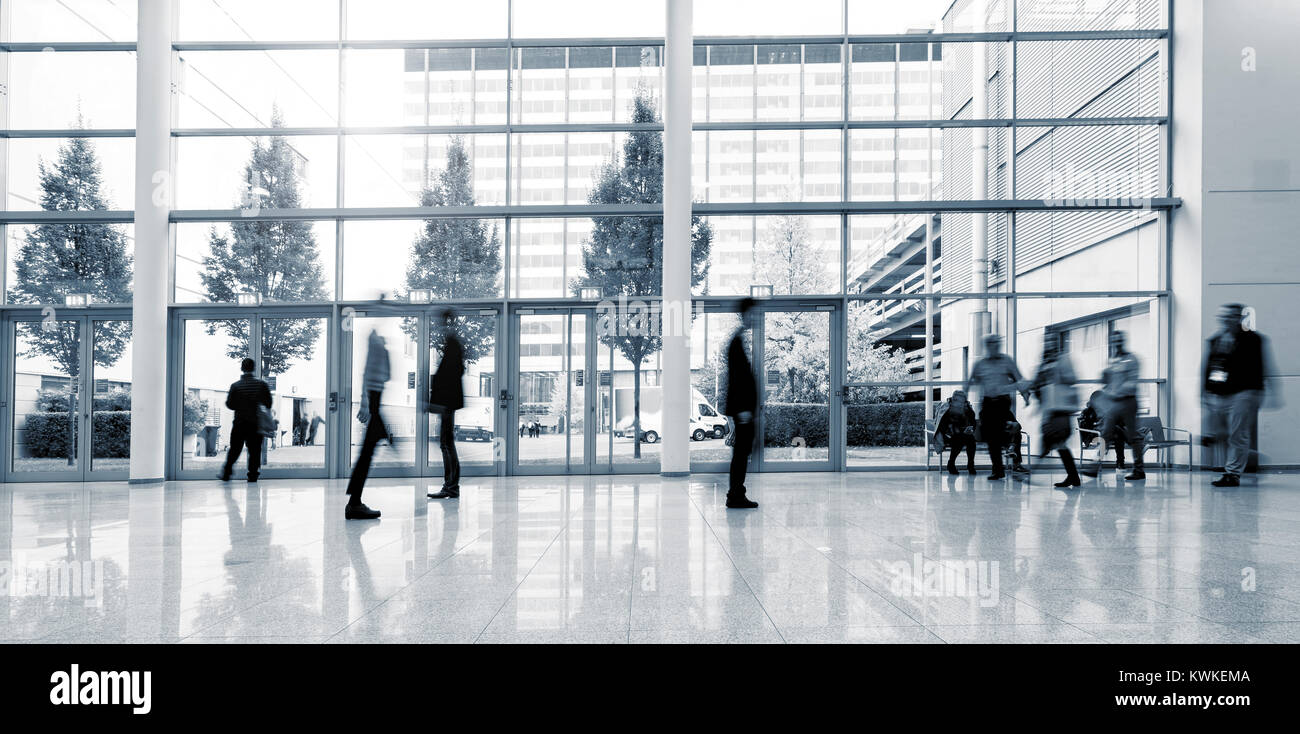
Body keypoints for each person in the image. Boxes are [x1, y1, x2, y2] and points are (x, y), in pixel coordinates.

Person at [1204, 303, 1276, 487]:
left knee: (1237, 433)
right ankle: (1250, 458)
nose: (1226, 320)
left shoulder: (1254, 339)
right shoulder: (1216, 340)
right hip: (1221, 393)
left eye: (1231, 316)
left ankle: (1232, 473)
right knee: (1223, 433)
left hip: (1246, 391)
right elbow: (1209, 367)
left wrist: (1271, 390)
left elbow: (1263, 367)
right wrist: (1205, 391)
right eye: (1224, 316)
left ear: (1239, 318)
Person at [964, 333, 1030, 481]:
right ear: (987, 346)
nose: (995, 345)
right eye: (992, 343)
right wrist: (964, 400)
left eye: (997, 343)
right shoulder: (980, 364)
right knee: (991, 436)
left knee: (1008, 429)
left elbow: (1019, 378)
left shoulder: (1007, 361)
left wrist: (1026, 396)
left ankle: (1014, 459)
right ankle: (998, 469)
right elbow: (969, 382)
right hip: (987, 403)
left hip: (1002, 402)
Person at [1084, 330, 1145, 481]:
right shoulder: (1112, 361)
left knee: (1133, 436)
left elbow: (1132, 382)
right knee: (1105, 434)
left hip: (1129, 401)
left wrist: (1115, 392)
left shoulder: (1132, 359)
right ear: (1111, 342)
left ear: (1123, 341)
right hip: (1114, 404)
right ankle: (1094, 467)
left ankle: (1139, 469)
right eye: (1114, 341)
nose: (1116, 343)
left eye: (1119, 340)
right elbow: (1107, 382)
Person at [345, 329, 389, 520]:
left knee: (367, 453)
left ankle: (354, 502)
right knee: (366, 454)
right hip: (373, 402)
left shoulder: (377, 344)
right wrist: (364, 402)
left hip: (375, 402)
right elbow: (368, 375)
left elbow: (382, 375)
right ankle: (354, 503)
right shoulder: (375, 342)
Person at [723, 298, 760, 509]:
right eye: (753, 313)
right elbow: (737, 378)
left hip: (743, 409)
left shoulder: (739, 339)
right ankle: (735, 495)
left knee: (741, 453)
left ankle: (736, 493)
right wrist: (743, 409)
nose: (756, 318)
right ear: (745, 314)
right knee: (740, 454)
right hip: (742, 409)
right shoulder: (737, 341)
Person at [1031, 336, 1082, 488]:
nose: (1049, 345)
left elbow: (1072, 378)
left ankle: (1032, 471)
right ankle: (1073, 477)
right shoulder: (1043, 364)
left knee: (1055, 441)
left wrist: (1058, 374)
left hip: (1062, 407)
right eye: (1047, 342)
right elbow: (1037, 383)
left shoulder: (1063, 359)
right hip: (1049, 408)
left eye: (1052, 342)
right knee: (1057, 443)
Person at [429, 309, 465, 500]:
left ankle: (451, 486)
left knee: (446, 443)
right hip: (448, 402)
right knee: (446, 443)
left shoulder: (452, 342)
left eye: (439, 321)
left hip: (447, 403)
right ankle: (451, 486)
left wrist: (439, 400)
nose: (437, 325)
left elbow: (451, 374)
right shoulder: (452, 342)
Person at [218, 358, 272, 483]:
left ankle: (227, 473)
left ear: (242, 368)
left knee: (235, 449)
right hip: (255, 423)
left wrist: (240, 405)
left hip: (240, 423)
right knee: (254, 450)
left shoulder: (236, 386)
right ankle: (253, 476)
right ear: (254, 368)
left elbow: (230, 405)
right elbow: (268, 403)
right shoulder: (261, 385)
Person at [1079, 391, 1126, 468]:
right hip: (1094, 436)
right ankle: (1121, 463)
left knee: (1118, 433)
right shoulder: (1087, 412)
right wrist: (1099, 426)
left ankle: (1120, 463)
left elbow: (1120, 422)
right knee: (1118, 432)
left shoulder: (1106, 410)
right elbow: (1086, 428)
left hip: (1107, 433)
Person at [935, 390, 977, 476]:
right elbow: (942, 425)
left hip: (963, 433)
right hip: (948, 434)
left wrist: (970, 429)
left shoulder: (967, 408)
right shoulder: (946, 408)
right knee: (960, 439)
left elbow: (973, 422)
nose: (961, 402)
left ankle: (970, 464)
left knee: (970, 439)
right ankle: (952, 464)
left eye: (963, 400)